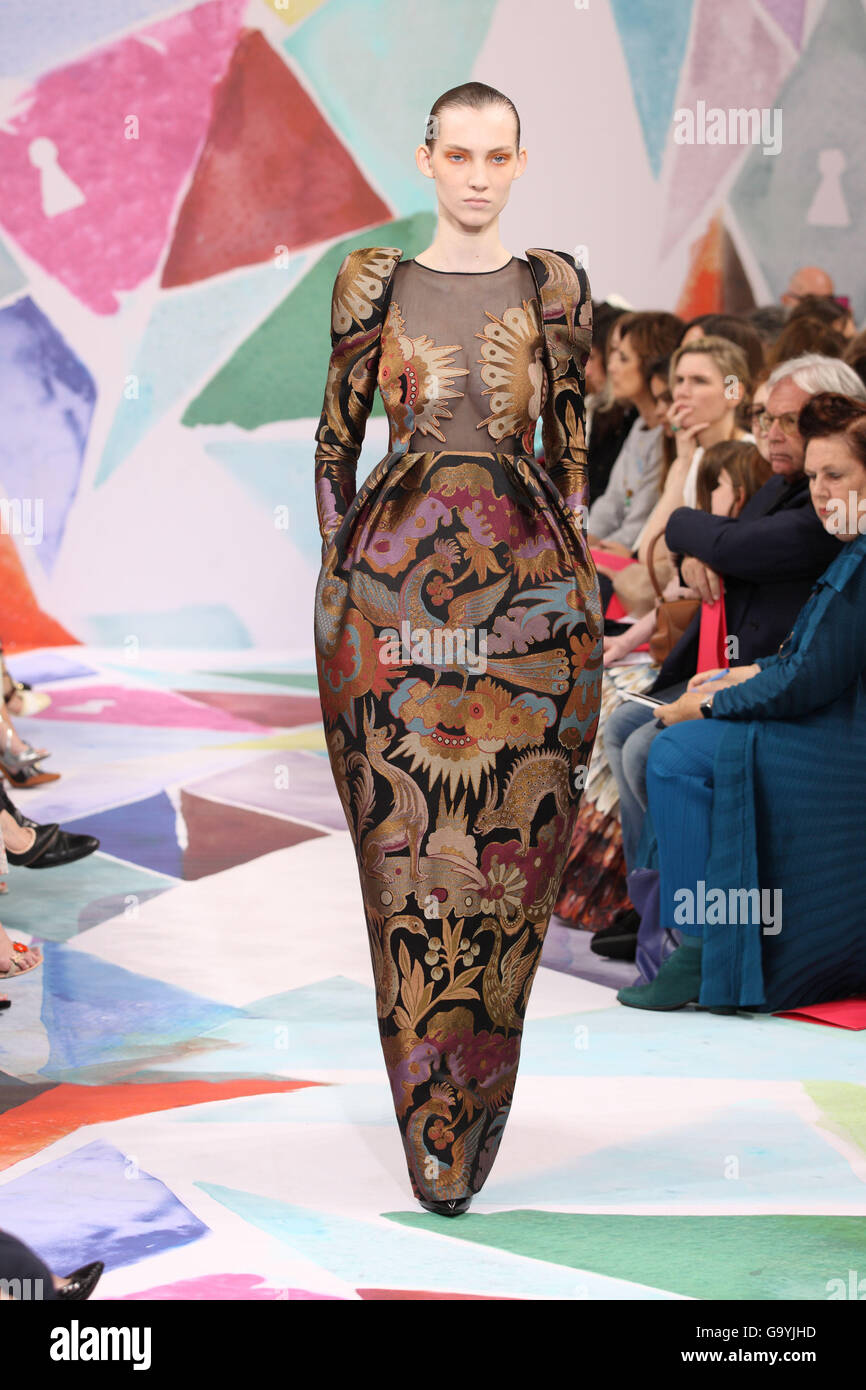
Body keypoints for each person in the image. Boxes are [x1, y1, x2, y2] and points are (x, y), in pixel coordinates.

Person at [313, 82, 602, 1216]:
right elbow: (333, 448)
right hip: (387, 611)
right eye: (459, 155)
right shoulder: (369, 280)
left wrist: (579, 604)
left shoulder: (555, 285)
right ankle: (427, 1138)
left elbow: (570, 461)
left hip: (530, 613)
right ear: (425, 158)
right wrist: (336, 589)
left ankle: (471, 1125)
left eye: (498, 157)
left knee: (508, 873)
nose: (478, 175)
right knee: (402, 871)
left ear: (519, 163)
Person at [617, 392, 866, 1011]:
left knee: (674, 752)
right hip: (830, 717)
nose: (818, 490)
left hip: (840, 741)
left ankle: (697, 947)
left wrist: (704, 706)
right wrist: (738, 675)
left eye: (835, 475)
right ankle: (680, 939)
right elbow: (809, 658)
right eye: (813, 476)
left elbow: (809, 679)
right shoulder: (854, 545)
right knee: (664, 738)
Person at [586, 311, 683, 554]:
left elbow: (640, 521)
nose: (612, 366)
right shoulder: (640, 427)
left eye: (623, 358)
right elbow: (613, 500)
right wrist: (585, 538)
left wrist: (594, 550)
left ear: (651, 362)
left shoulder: (667, 434)